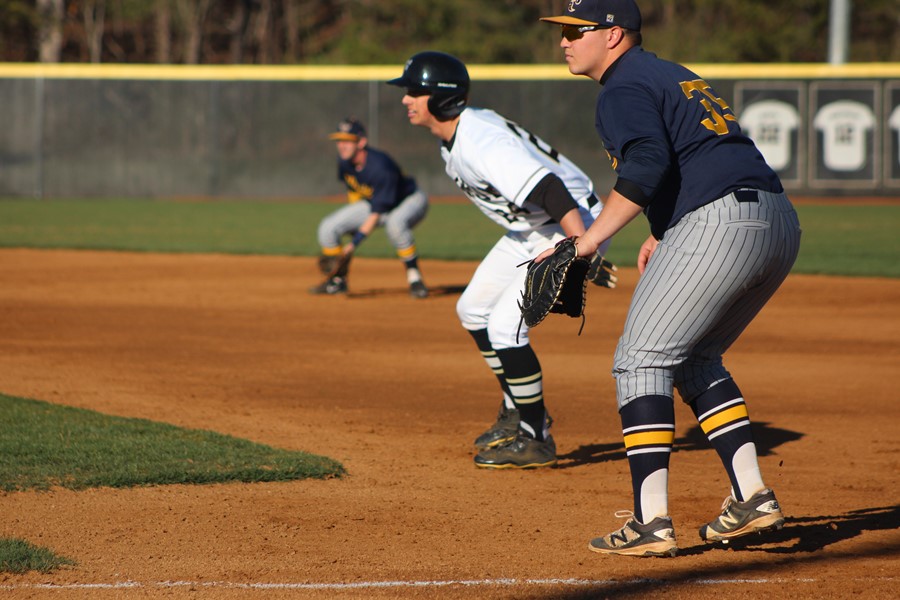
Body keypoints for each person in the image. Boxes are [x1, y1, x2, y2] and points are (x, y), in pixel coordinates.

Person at [540, 0, 801, 556]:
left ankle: (650, 522)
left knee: (641, 362)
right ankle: (752, 497)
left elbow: (648, 162)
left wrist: (589, 239)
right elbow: (701, 152)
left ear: (613, 35)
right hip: (775, 220)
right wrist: (665, 228)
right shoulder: (671, 72)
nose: (563, 40)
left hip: (719, 222)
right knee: (696, 359)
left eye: (574, 30)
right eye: (561, 31)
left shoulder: (621, 87)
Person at [387, 51, 617, 469]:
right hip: (531, 229)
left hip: (568, 223)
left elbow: (551, 190)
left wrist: (580, 247)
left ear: (440, 98)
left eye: (414, 91)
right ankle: (519, 408)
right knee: (472, 309)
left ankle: (537, 438)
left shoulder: (479, 141)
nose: (405, 98)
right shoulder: (458, 134)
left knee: (505, 328)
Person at [310, 117, 429, 299]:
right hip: (375, 203)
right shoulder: (344, 162)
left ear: (362, 142)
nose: (342, 145)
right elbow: (355, 194)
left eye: (347, 141)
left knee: (395, 225)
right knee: (328, 227)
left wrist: (352, 244)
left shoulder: (380, 167)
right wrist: (352, 225)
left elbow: (376, 215)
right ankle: (337, 282)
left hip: (409, 200)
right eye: (339, 141)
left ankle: (415, 279)